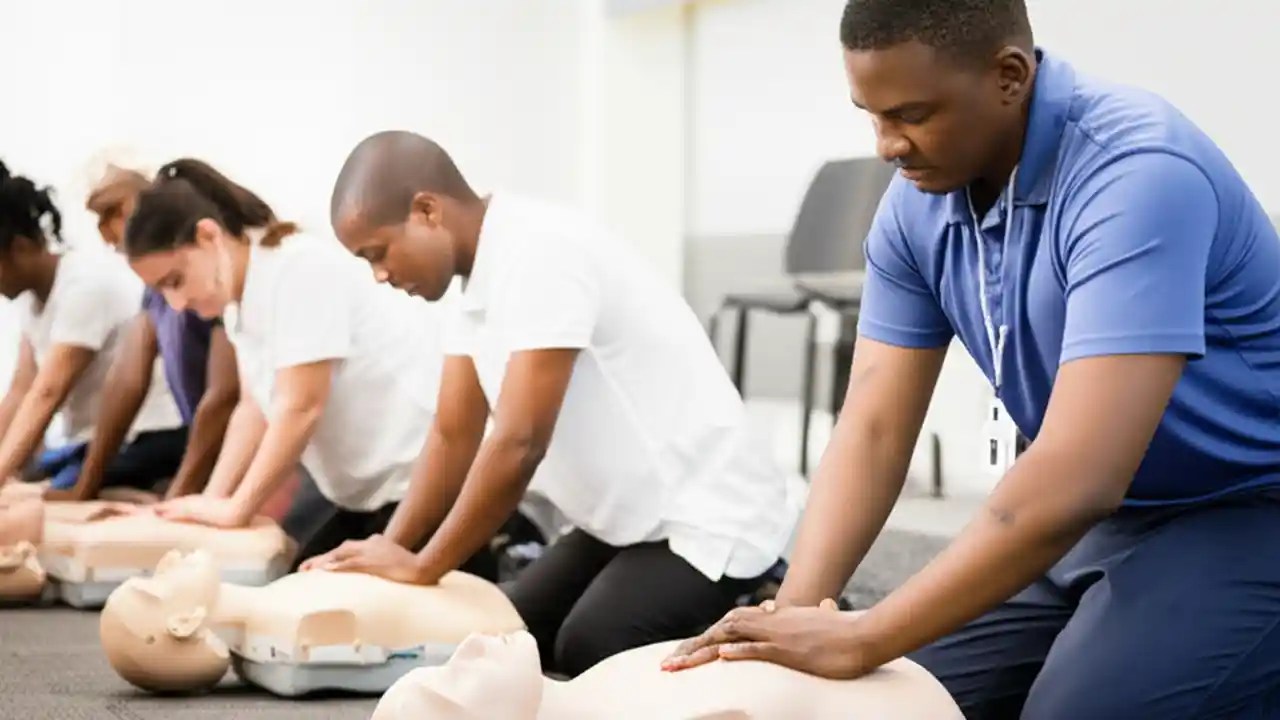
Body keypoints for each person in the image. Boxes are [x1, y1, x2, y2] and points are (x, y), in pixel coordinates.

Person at [663, 1, 1280, 718]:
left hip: (1246, 510)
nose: (889, 145)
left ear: (1010, 77)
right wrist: (794, 624)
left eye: (913, 114)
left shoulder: (1137, 174)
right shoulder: (915, 206)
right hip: (1097, 524)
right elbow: (872, 429)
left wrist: (865, 637)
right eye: (872, 115)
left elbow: (1079, 478)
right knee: (895, 702)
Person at [305, 130, 800, 678]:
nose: (379, 275)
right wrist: (389, 547)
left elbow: (520, 442)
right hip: (620, 522)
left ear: (427, 211)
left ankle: (764, 597)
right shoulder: (472, 282)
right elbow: (453, 432)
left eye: (378, 253)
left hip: (707, 516)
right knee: (506, 638)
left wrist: (424, 565)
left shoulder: (540, 252)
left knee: (595, 645)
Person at [121, 158, 453, 569]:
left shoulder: (298, 268)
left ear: (209, 236)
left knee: (308, 606)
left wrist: (238, 508)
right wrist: (212, 502)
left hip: (419, 488)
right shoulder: (239, 301)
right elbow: (253, 409)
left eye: (174, 281)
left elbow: (301, 407)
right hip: (366, 496)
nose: (177, 303)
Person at [44, 166, 240, 502]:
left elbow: (224, 397)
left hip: (228, 442)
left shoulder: (211, 284)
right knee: (61, 474)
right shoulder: (155, 294)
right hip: (201, 433)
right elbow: (126, 381)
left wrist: (180, 493)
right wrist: (85, 487)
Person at [0, 161, 187, 495]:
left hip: (145, 436)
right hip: (82, 442)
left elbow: (48, 392)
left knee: (37, 494)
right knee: (25, 482)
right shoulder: (32, 302)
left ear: (20, 248)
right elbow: (20, 391)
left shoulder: (85, 285)